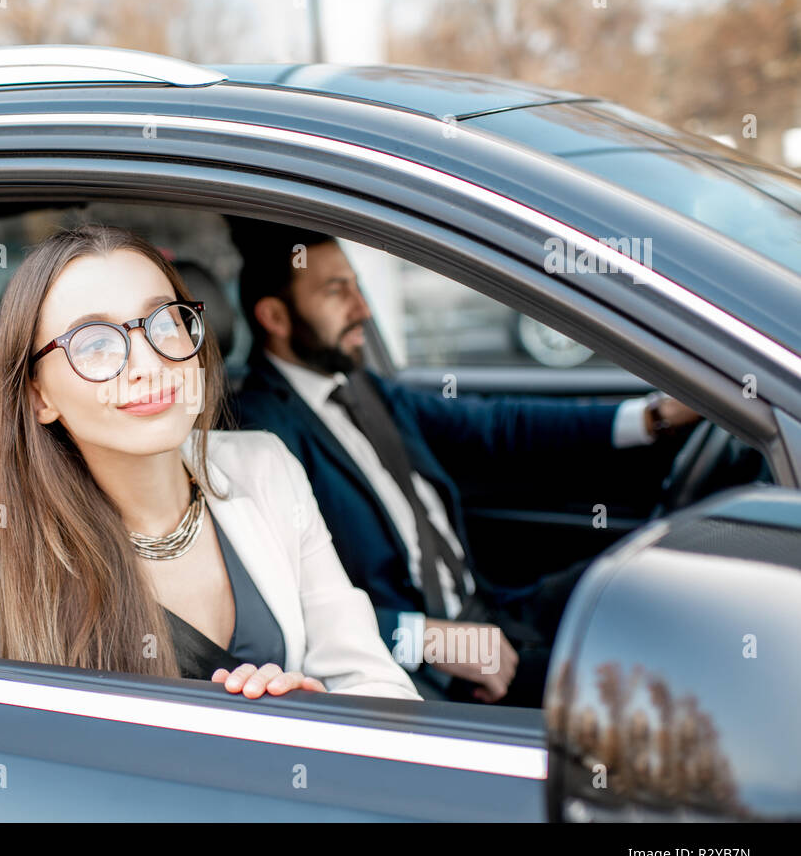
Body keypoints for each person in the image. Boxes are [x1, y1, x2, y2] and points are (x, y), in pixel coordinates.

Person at [228, 217, 700, 706]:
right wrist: (428, 638)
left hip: (490, 609)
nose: (363, 309)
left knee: (648, 583)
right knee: (650, 691)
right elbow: (286, 607)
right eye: (335, 291)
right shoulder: (258, 435)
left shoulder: (362, 389)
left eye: (357, 287)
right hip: (427, 671)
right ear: (276, 318)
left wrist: (653, 418)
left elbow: (497, 427)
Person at [0, 223, 421, 702]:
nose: (149, 364)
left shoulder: (265, 467)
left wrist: (316, 705)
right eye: (95, 343)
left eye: (163, 322)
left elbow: (377, 686)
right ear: (38, 396)